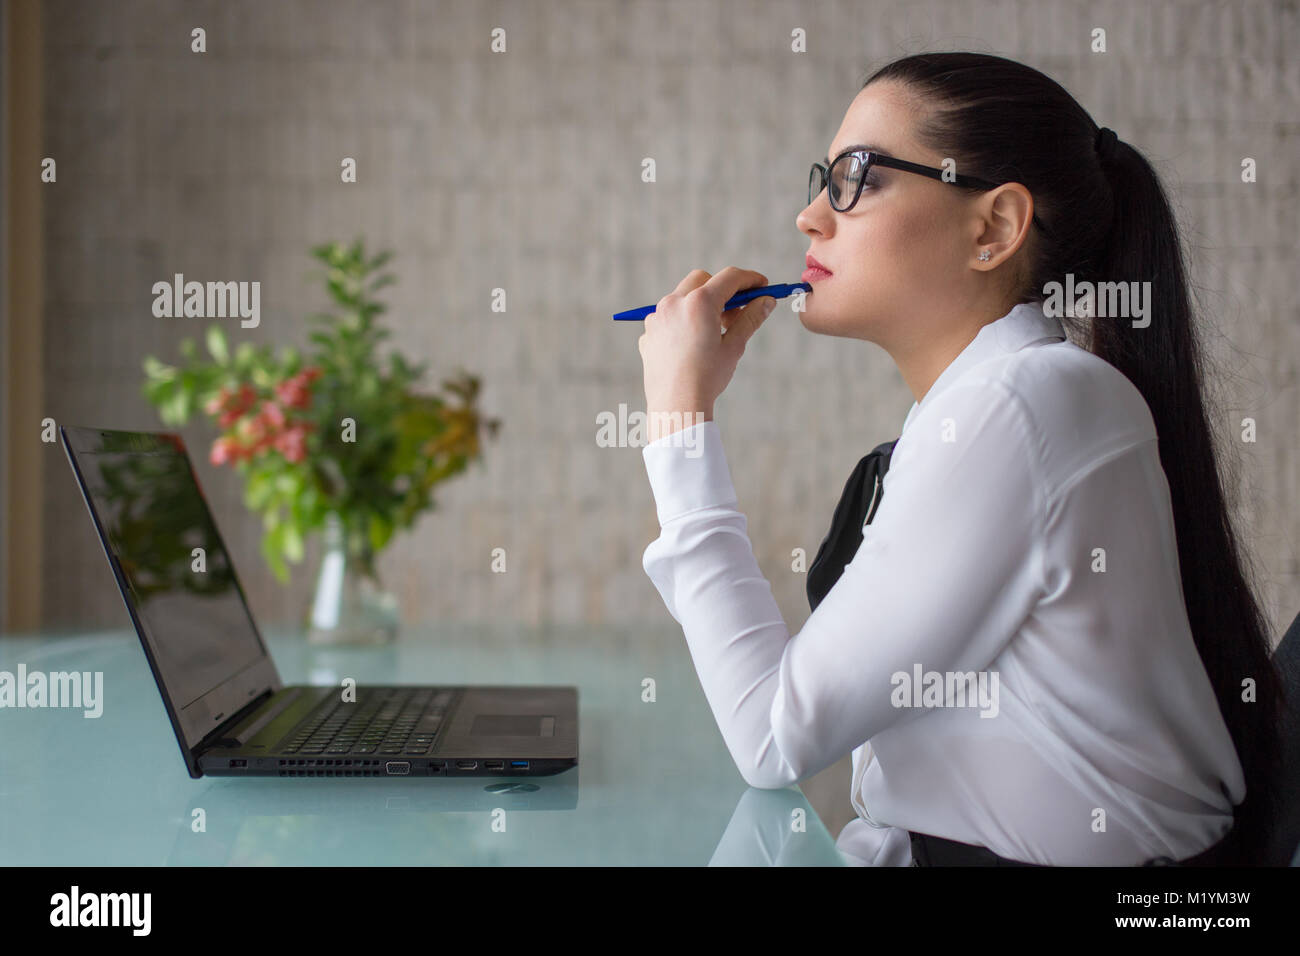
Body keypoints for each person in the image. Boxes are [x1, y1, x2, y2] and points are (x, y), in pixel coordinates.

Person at [636, 51, 1285, 866]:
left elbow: (774, 735)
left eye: (858, 178)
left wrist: (678, 421)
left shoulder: (1023, 406)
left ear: (994, 229)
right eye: (823, 179)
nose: (810, 216)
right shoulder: (1004, 402)